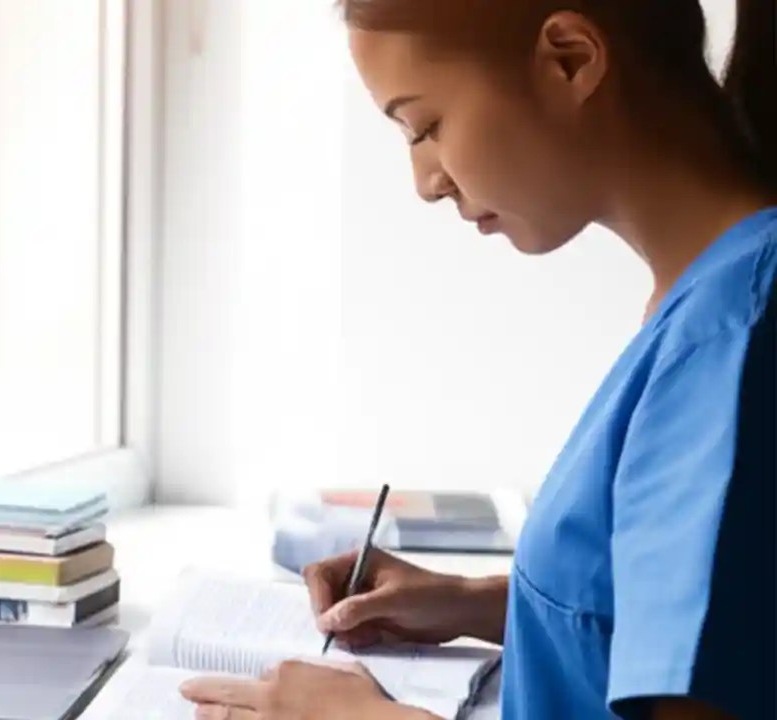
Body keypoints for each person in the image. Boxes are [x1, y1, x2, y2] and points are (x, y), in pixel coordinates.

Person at [181, 0, 776, 718]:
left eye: (424, 126)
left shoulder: (729, 340)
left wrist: (365, 717)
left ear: (570, 59)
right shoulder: (713, 292)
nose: (426, 182)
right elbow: (713, 615)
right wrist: (479, 604)